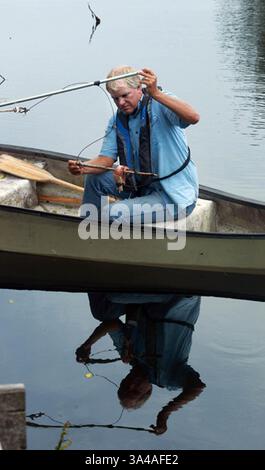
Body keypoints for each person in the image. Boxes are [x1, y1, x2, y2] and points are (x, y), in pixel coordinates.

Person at [68, 66, 200, 223]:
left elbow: (193, 117)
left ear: (139, 88)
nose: (121, 103)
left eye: (125, 95)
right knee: (94, 179)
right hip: (140, 187)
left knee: (112, 212)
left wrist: (156, 93)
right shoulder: (117, 121)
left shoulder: (161, 103)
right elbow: (106, 159)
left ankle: (98, 233)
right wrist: (83, 167)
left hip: (174, 196)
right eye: (115, 99)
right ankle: (86, 226)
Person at [75, 293, 206, 434]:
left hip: (151, 299)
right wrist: (164, 414)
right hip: (178, 299)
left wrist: (87, 345)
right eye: (135, 391)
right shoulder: (167, 378)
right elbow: (196, 387)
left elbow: (111, 324)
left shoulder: (129, 356)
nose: (131, 385)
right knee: (113, 296)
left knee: (103, 311)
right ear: (148, 390)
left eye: (125, 387)